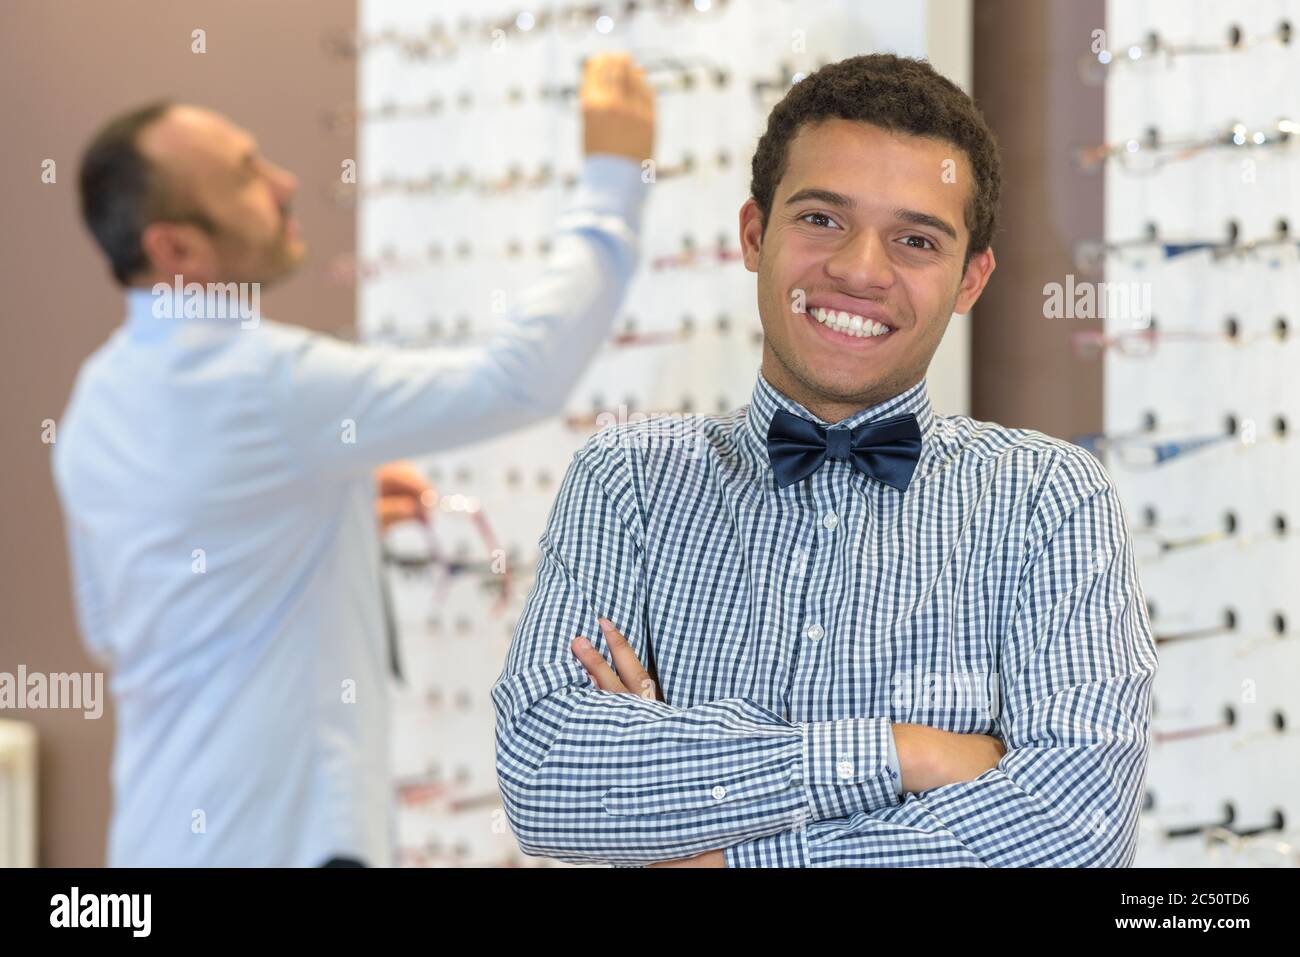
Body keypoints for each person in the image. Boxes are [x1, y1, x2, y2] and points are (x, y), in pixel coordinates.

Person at [491, 53, 1158, 867]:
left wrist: (712, 842)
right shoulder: (628, 479)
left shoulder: (1047, 498)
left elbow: (1072, 834)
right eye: (821, 219)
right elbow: (546, 779)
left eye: (916, 239)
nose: (858, 270)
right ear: (753, 233)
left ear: (969, 280)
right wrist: (907, 754)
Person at [53, 53, 655, 867]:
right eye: (244, 175)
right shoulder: (266, 383)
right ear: (178, 249)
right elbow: (516, 380)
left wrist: (297, 514)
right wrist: (613, 178)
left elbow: (115, 627)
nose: (285, 181)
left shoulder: (95, 398)